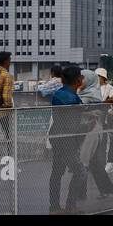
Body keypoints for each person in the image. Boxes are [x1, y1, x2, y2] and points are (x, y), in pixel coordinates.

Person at [47, 66, 87, 213]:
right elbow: (75, 121)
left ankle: (54, 207)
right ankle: (71, 206)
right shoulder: (70, 98)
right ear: (77, 80)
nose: (83, 79)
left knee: (57, 173)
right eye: (81, 77)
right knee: (80, 172)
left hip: (58, 137)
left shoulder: (61, 93)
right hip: (66, 140)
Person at [76, 69, 113, 199]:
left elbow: (78, 106)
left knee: (83, 161)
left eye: (82, 78)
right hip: (87, 130)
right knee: (94, 162)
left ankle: (80, 193)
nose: (80, 80)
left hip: (91, 131)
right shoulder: (87, 92)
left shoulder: (91, 93)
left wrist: (77, 89)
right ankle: (107, 189)